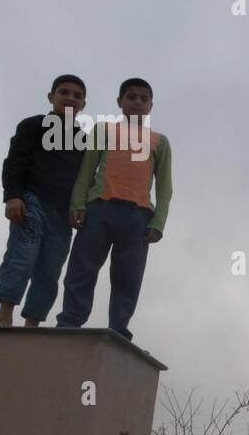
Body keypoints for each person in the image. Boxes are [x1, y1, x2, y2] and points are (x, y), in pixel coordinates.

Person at [56, 78, 173, 341]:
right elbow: (86, 172)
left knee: (128, 276)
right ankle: (69, 322)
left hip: (138, 216)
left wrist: (158, 221)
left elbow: (165, 188)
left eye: (144, 99)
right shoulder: (103, 130)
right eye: (131, 97)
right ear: (120, 102)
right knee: (82, 267)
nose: (137, 102)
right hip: (100, 208)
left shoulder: (159, 141)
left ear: (151, 106)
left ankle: (118, 327)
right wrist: (77, 204)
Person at [0, 75, 89, 327]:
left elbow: (85, 178)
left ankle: (32, 323)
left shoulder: (84, 141)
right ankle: (5, 314)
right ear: (51, 97)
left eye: (77, 95)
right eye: (64, 92)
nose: (70, 98)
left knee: (50, 268)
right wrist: (12, 196)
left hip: (62, 212)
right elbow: (14, 161)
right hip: (32, 200)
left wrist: (80, 207)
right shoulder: (33, 125)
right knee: (22, 255)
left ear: (83, 104)